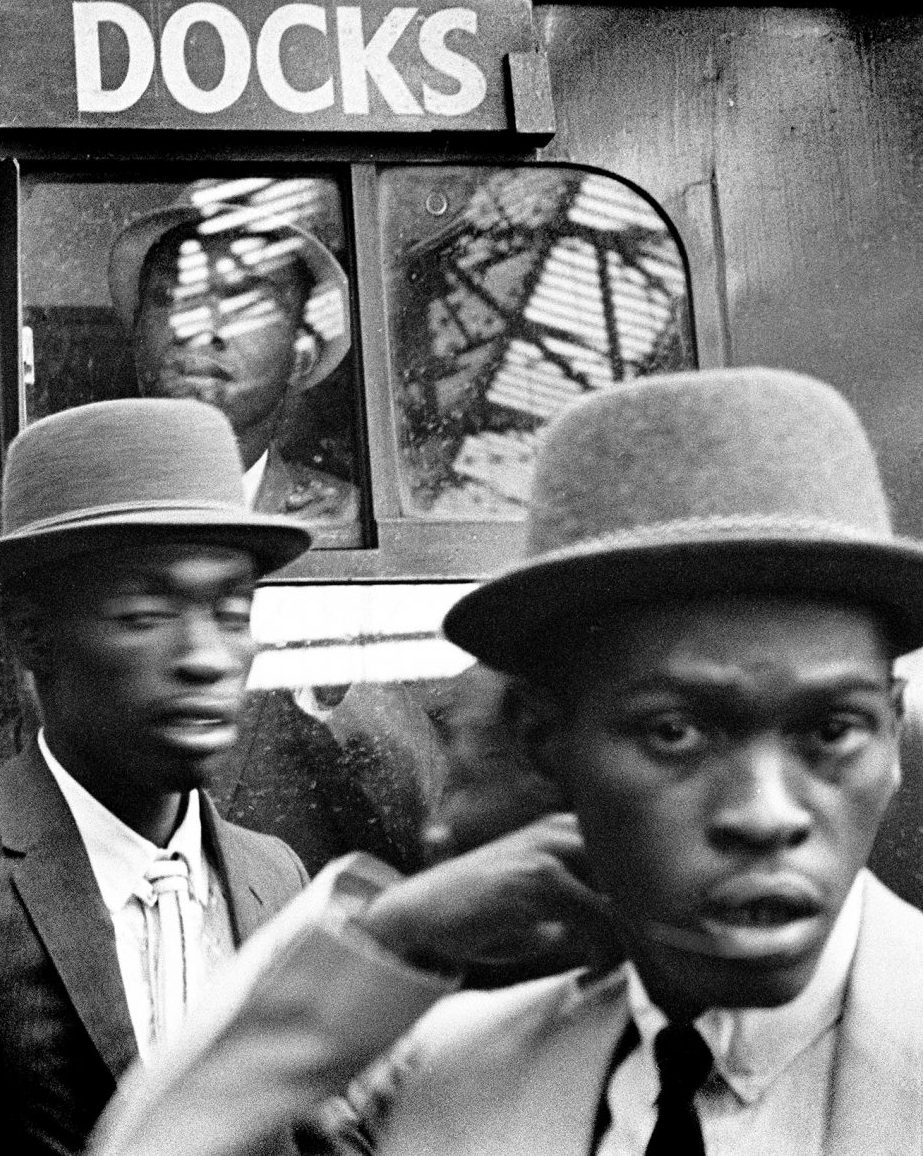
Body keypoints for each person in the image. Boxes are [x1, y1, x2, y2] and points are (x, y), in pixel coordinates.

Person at [92, 366, 923, 1156]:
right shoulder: (451, 1075)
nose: (766, 813)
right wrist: (390, 937)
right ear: (544, 742)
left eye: (833, 731)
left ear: (893, 734)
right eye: (674, 732)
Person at [0, 398, 313, 1156]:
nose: (207, 655)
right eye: (145, 612)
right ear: (29, 635)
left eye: (232, 612)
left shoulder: (276, 883)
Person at [108, 195, 359, 539]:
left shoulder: (345, 524)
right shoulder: (55, 518)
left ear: (301, 357)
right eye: (172, 296)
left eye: (244, 305)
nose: (196, 328)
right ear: (136, 335)